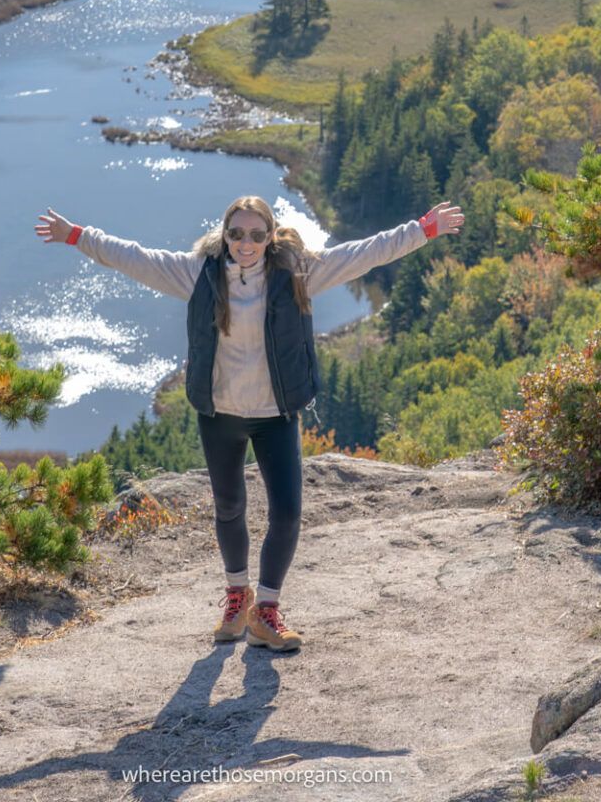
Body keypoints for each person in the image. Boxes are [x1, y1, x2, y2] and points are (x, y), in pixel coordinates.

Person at [35, 195, 464, 652]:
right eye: (237, 234)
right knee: (229, 508)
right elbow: (134, 258)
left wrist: (424, 228)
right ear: (225, 235)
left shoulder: (297, 273)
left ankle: (267, 612)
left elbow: (364, 253)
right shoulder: (198, 273)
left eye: (257, 235)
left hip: (274, 414)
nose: (246, 243)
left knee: (287, 513)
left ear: (270, 236)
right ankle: (237, 598)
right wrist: (78, 236)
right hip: (220, 414)